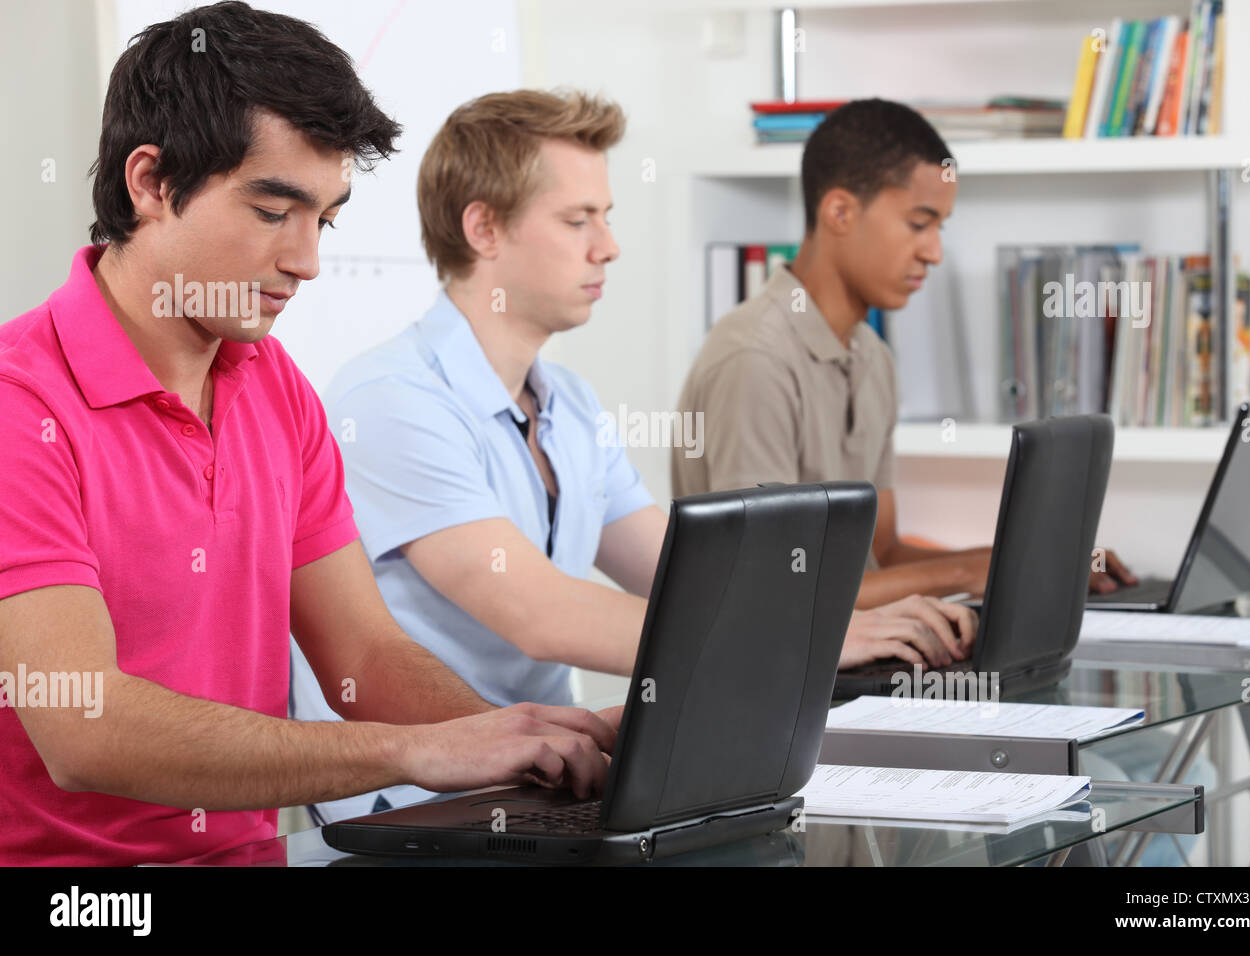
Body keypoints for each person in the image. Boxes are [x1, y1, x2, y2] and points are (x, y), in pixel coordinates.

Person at [0, 2, 616, 867]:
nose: (306, 261)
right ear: (149, 182)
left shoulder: (274, 387)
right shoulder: (19, 405)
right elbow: (83, 728)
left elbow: (361, 651)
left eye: (322, 219)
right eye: (270, 210)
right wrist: (413, 753)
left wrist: (531, 736)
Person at [290, 88, 978, 822]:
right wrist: (815, 639)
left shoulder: (572, 404)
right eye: (577, 219)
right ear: (484, 228)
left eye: (607, 217)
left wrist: (832, 626)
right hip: (417, 804)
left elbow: (685, 574)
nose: (608, 245)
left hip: (553, 778)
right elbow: (539, 613)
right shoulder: (391, 398)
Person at [671, 98, 1137, 608]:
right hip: (765, 679)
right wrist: (964, 571)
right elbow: (767, 590)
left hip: (843, 660)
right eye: (919, 224)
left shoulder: (872, 357)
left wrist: (1029, 558)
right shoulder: (754, 360)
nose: (934, 252)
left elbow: (883, 555)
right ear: (840, 212)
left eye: (941, 227)